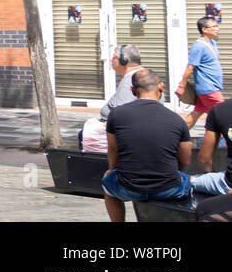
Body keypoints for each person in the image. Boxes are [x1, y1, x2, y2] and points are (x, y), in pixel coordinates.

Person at [101, 69, 193, 221]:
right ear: (161, 87)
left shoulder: (116, 114)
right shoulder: (177, 120)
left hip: (127, 186)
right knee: (188, 182)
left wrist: (112, 169)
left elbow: (113, 149)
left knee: (107, 185)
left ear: (132, 90)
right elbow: (185, 160)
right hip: (168, 188)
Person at [81, 44, 145, 151]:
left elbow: (122, 115)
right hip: (120, 131)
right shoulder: (138, 76)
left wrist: (99, 128)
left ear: (124, 61)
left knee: (82, 134)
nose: (111, 60)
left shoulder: (130, 80)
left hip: (117, 135)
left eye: (114, 57)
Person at [177, 17, 223, 128]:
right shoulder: (199, 46)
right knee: (224, 115)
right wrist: (182, 86)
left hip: (212, 87)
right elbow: (190, 67)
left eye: (217, 26)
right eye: (214, 27)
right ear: (204, 29)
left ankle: (178, 136)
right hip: (208, 89)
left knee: (195, 114)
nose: (217, 29)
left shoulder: (212, 43)